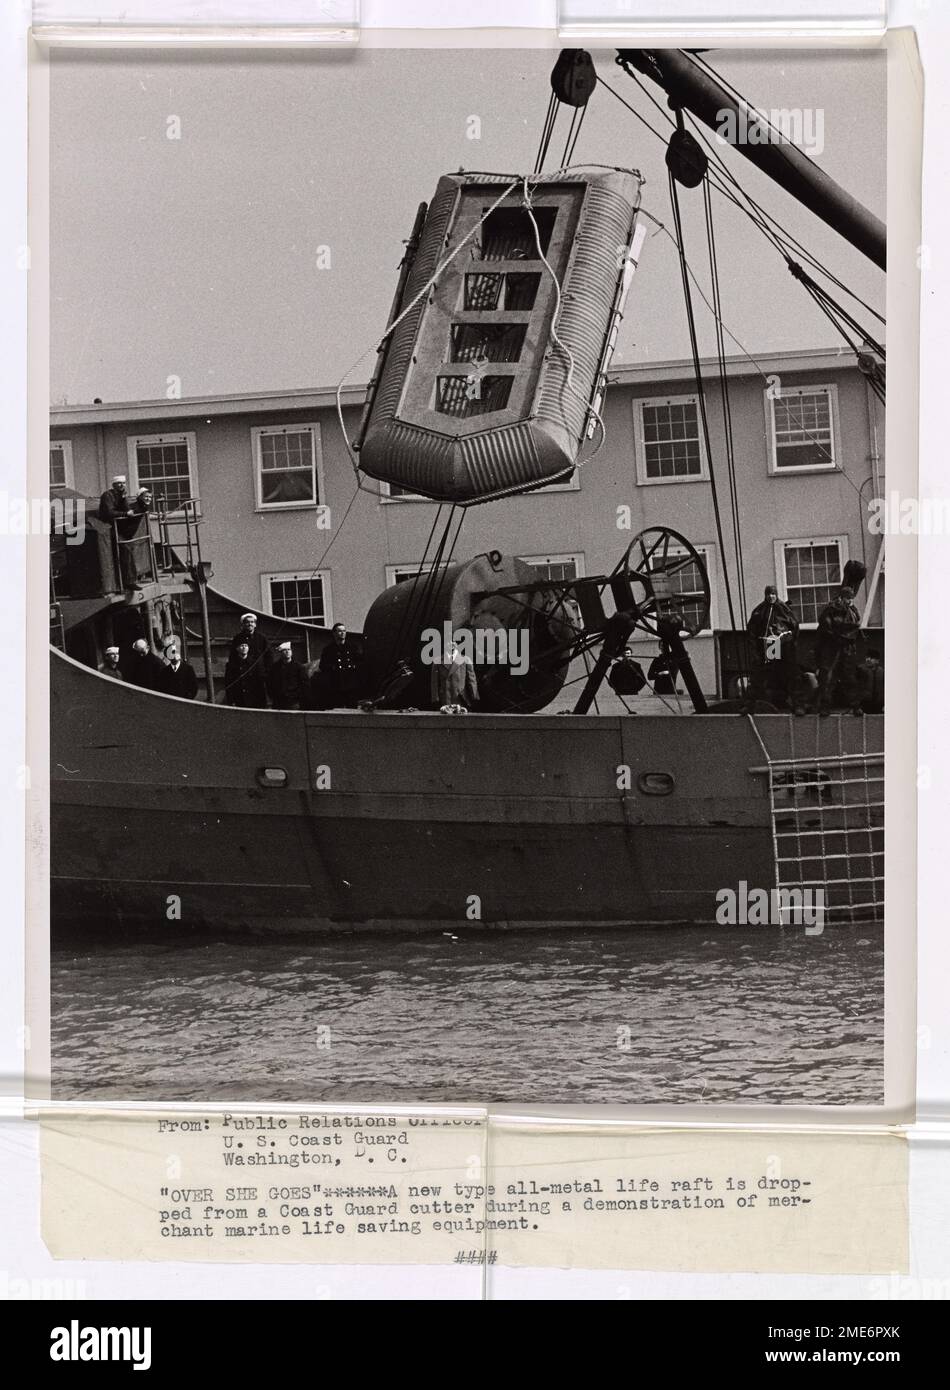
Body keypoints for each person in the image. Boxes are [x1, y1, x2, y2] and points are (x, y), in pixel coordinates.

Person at [746, 584, 802, 711]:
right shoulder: (759, 611)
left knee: (790, 673)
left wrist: (789, 643)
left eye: (773, 594)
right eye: (769, 594)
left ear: (776, 595)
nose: (771, 597)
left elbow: (794, 627)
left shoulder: (785, 610)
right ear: (765, 595)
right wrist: (755, 650)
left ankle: (798, 704)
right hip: (770, 645)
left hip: (783, 645)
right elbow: (752, 631)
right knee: (766, 673)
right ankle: (752, 705)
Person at [815, 584, 863, 716]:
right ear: (842, 598)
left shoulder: (851, 611)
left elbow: (854, 625)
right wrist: (841, 635)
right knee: (828, 677)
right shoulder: (830, 610)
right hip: (832, 648)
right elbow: (827, 627)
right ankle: (825, 706)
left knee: (849, 677)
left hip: (845, 648)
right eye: (848, 599)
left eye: (851, 599)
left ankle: (855, 706)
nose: (850, 601)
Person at [316, 622, 364, 708]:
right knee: (338, 710)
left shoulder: (352, 647)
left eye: (344, 631)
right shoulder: (328, 650)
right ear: (334, 633)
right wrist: (333, 669)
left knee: (352, 709)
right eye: (340, 631)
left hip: (351, 685)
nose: (342, 633)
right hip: (336, 685)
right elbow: (322, 666)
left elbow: (360, 662)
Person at [432, 639, 479, 710]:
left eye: (454, 641)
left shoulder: (465, 659)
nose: (451, 643)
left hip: (461, 699)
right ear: (444, 645)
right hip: (444, 699)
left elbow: (472, 680)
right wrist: (435, 698)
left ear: (457, 644)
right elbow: (434, 682)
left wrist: (474, 697)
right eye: (448, 641)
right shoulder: (437, 661)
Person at [224, 638, 269, 708]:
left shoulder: (255, 663)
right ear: (237, 648)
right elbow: (229, 683)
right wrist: (231, 701)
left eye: (246, 646)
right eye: (242, 646)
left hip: (254, 699)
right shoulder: (231, 665)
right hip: (239, 699)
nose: (244, 647)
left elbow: (260, 683)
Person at [267, 640, 307, 710]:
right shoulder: (275, 668)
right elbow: (270, 684)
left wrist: (297, 696)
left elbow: (304, 684)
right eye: (284, 650)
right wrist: (274, 696)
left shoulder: (298, 667)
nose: (287, 652)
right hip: (278, 702)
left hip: (293, 702)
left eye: (289, 650)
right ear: (281, 653)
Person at [858, 648, 884, 714]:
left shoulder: (882, 672)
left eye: (872, 658)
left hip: (879, 706)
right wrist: (856, 706)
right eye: (867, 657)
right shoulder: (860, 670)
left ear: (877, 661)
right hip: (863, 706)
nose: (868, 659)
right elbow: (854, 689)